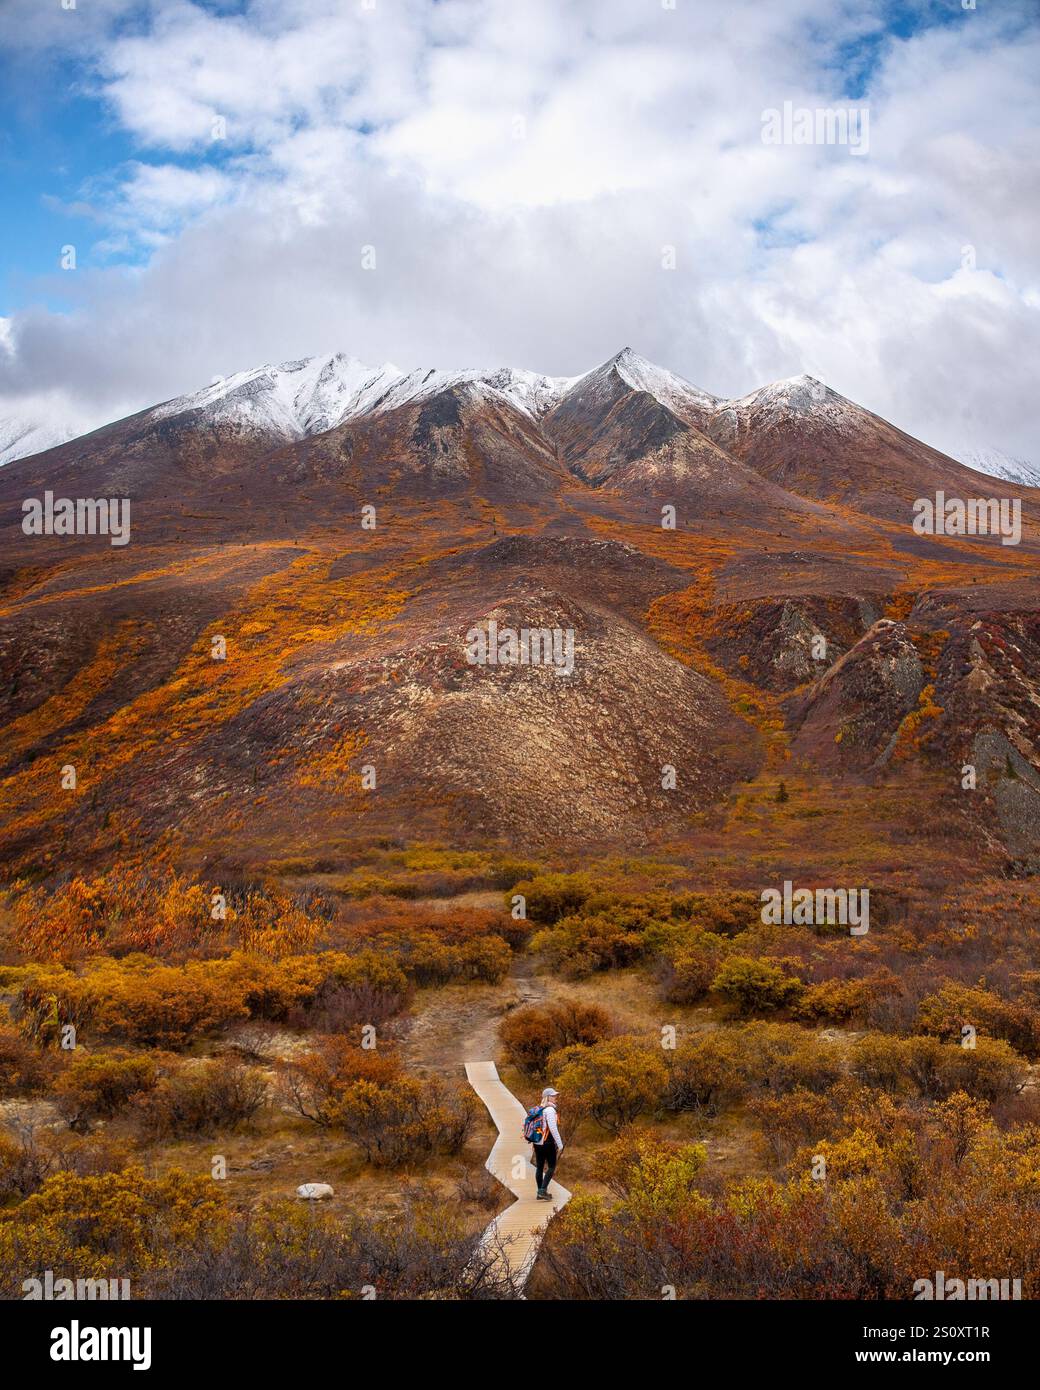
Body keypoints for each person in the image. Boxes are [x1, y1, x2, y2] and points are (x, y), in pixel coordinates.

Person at [533, 1086, 564, 1201]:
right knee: (551, 1166)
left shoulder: (539, 1109)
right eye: (554, 1095)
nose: (556, 1097)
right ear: (548, 1097)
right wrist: (560, 1144)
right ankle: (542, 1190)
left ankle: (540, 1192)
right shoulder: (550, 1110)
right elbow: (553, 1128)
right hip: (548, 1142)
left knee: (540, 1167)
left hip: (538, 1143)